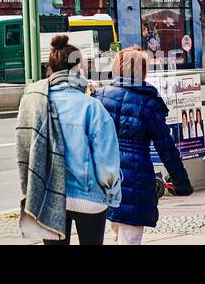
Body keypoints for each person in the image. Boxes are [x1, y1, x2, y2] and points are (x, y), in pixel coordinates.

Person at [18, 35, 121, 246]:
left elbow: (25, 152)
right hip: (89, 198)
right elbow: (106, 160)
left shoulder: (34, 102)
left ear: (51, 68)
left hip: (48, 196)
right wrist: (112, 195)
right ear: (77, 70)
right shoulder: (91, 107)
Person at [95, 47, 193, 245]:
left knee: (114, 230)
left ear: (117, 69)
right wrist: (181, 183)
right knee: (129, 238)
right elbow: (167, 148)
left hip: (103, 179)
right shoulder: (148, 102)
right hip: (136, 180)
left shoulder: (100, 97)